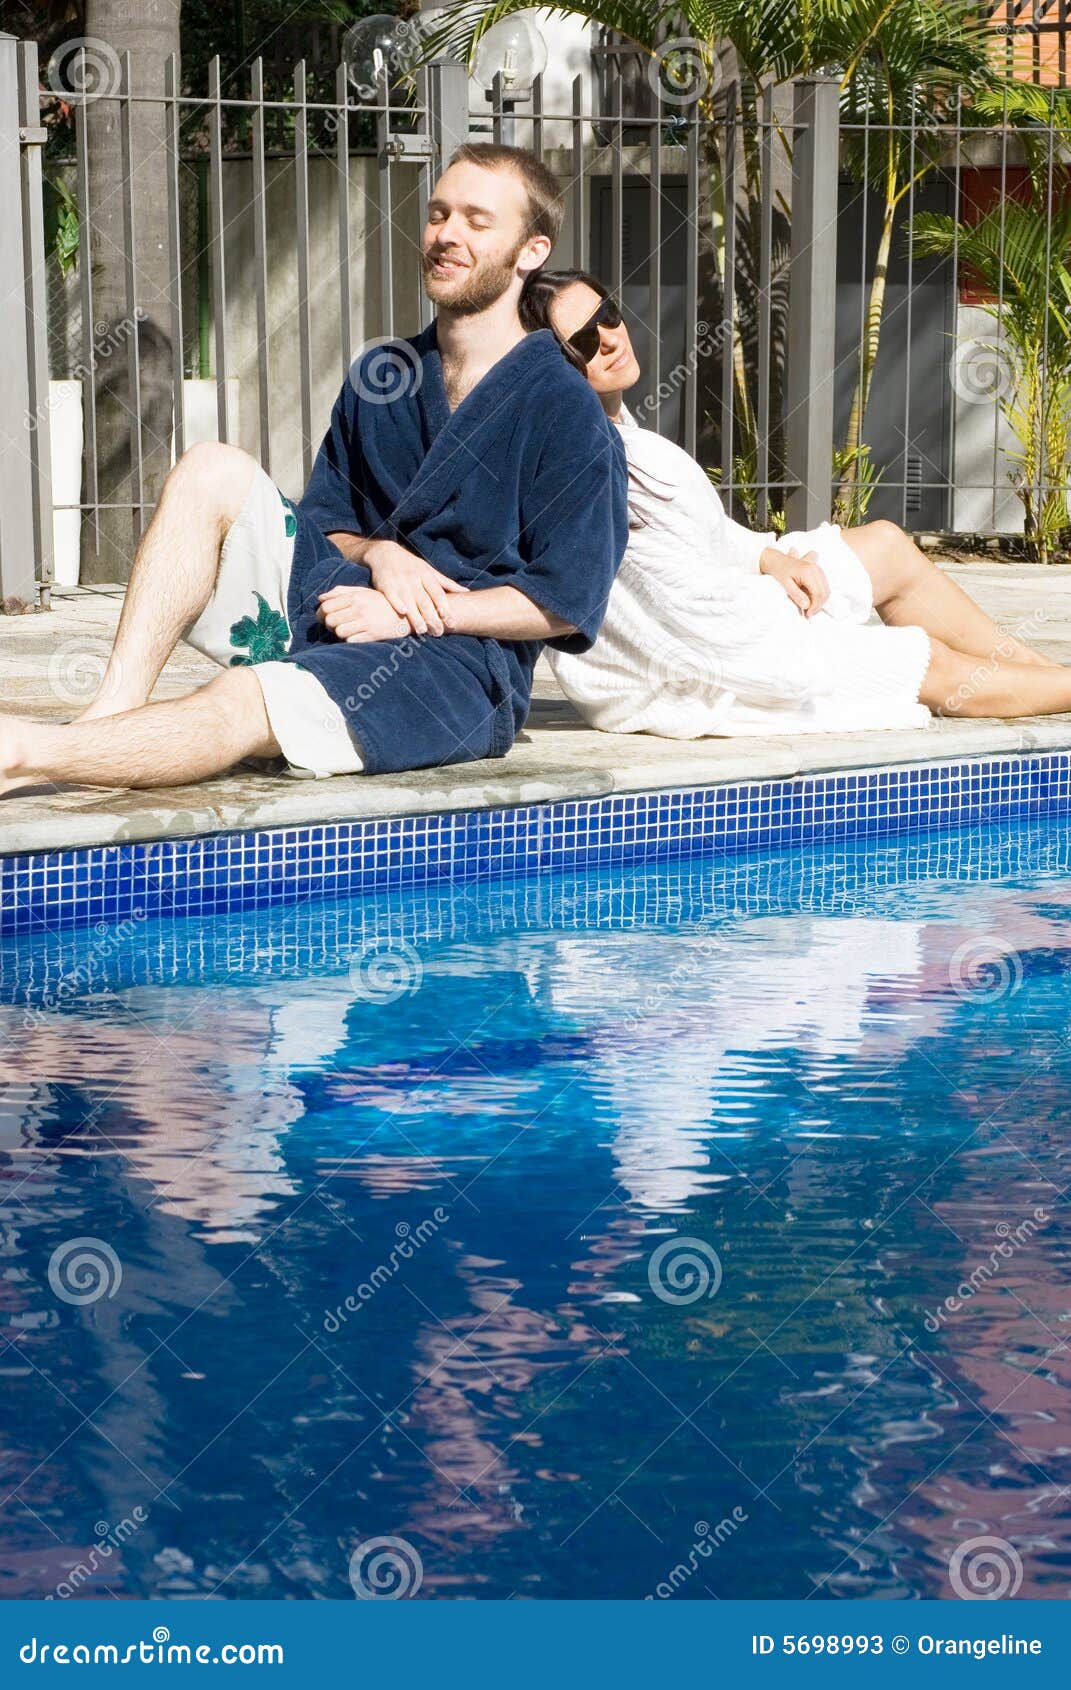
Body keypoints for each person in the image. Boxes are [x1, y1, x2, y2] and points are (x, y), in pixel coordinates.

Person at [0, 150, 627, 793]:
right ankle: (111, 712)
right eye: (439, 214)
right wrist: (380, 554)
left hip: (455, 668)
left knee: (244, 697)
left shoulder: (565, 408)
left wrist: (418, 615)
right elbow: (328, 522)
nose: (447, 234)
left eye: (477, 220)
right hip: (338, 602)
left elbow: (565, 603)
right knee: (210, 468)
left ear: (530, 251)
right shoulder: (385, 375)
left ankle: (23, 751)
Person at [519, 269, 1071, 735]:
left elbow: (707, 536)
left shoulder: (617, 429)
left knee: (885, 545)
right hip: (696, 665)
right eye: (583, 340)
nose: (610, 338)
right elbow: (689, 614)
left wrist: (770, 559)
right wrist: (793, 615)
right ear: (554, 366)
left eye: (607, 314)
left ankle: (1045, 676)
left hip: (723, 613)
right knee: (924, 659)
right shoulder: (590, 462)